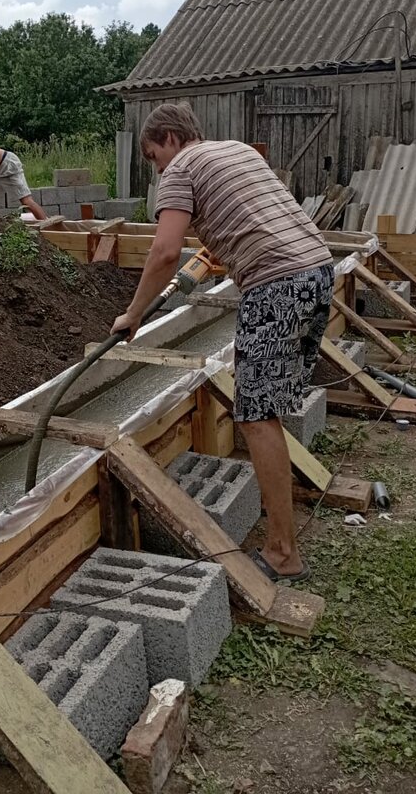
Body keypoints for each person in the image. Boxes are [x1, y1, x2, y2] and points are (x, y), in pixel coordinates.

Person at [111, 102, 333, 582]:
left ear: (170, 138)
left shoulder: (180, 169)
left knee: (255, 417)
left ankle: (283, 553)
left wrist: (133, 314)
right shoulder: (237, 151)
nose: (157, 169)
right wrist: (223, 250)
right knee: (268, 409)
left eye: (153, 156)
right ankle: (283, 538)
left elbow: (165, 251)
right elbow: (252, 215)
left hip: (276, 286)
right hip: (317, 270)